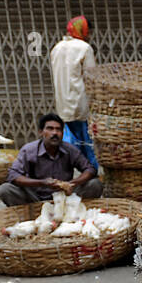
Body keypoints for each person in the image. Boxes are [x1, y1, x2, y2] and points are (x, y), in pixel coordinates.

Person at [0, 113, 101, 206]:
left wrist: (72, 183)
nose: (54, 133)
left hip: (66, 197)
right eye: (50, 129)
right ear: (41, 132)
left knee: (95, 184)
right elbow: (13, 175)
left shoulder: (69, 149)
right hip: (36, 198)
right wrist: (42, 182)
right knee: (5, 189)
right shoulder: (29, 150)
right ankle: (33, 215)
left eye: (58, 129)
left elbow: (90, 169)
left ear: (62, 133)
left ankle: (73, 211)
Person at [48, 15, 98, 171]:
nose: (89, 35)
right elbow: (91, 77)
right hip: (80, 100)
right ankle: (91, 171)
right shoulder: (84, 48)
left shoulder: (56, 48)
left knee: (70, 138)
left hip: (63, 102)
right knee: (86, 140)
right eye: (88, 31)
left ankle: (68, 171)